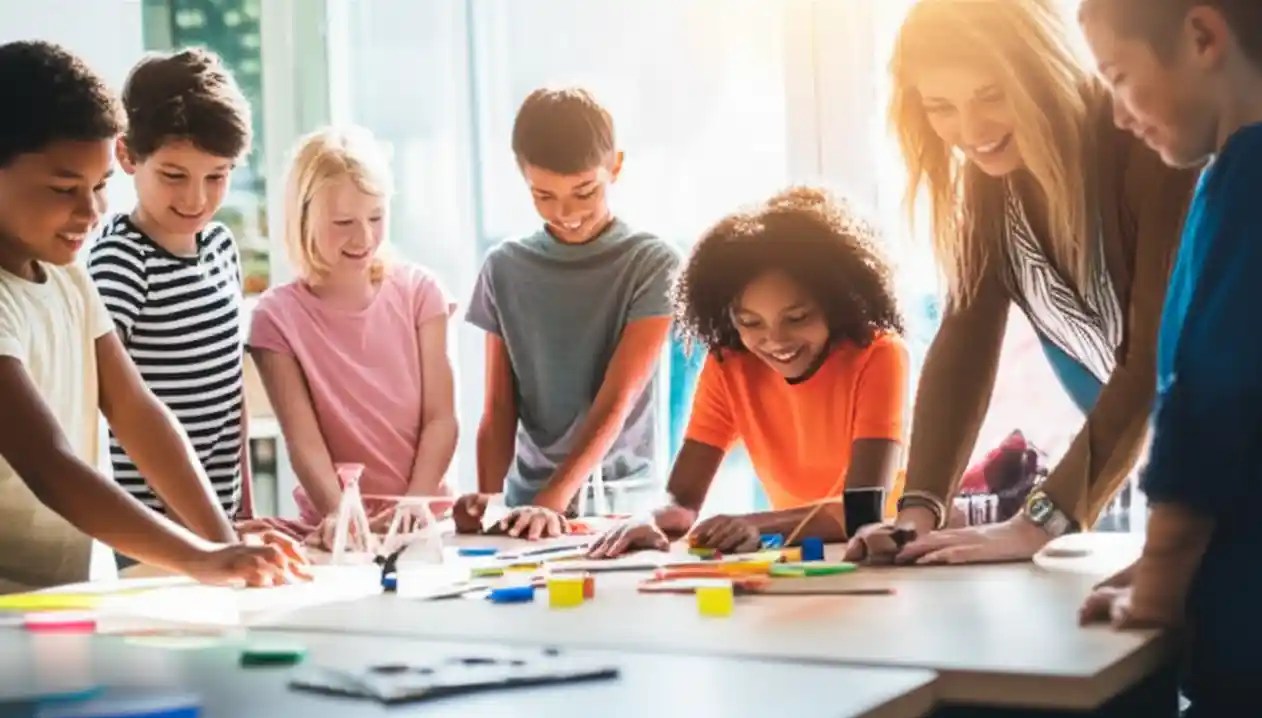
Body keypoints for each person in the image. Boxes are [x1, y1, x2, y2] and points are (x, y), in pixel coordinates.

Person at [847, 0, 1198, 566]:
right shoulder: (991, 182)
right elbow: (964, 339)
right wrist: (917, 512)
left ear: (1043, 67)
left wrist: (1040, 522)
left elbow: (1154, 357)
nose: (971, 131)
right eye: (941, 107)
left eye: (992, 95)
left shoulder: (1151, 146)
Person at [0, 40, 306, 590]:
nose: (91, 211)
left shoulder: (68, 277)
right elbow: (47, 461)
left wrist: (223, 543)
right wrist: (199, 557)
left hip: (54, 598)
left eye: (99, 187)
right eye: (64, 189)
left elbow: (137, 411)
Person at [1076, 0, 1262, 714]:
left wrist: (1162, 575)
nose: (1118, 115)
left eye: (1118, 77)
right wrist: (1150, 564)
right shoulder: (1234, 176)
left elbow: (1215, 396)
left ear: (1201, 37)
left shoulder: (1258, 175)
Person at [590, 187, 908, 557]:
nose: (776, 340)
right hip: (804, 559)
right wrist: (648, 517)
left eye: (797, 317)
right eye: (751, 322)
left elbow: (865, 511)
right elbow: (681, 501)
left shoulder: (879, 355)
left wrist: (757, 524)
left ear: (836, 303)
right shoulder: (731, 365)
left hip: (890, 553)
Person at [452, 87, 681, 540]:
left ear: (615, 166)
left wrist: (551, 502)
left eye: (584, 191)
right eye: (543, 194)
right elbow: (498, 409)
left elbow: (618, 399)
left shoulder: (654, 264)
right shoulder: (504, 268)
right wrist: (490, 505)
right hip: (527, 507)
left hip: (619, 508)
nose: (565, 212)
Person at [248, 126, 459, 535]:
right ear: (303, 218)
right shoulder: (276, 318)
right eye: (343, 222)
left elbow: (441, 418)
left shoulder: (420, 292)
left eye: (376, 217)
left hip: (428, 524)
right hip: (338, 531)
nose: (363, 237)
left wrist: (413, 505)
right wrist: (343, 518)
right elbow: (304, 442)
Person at [88, 48, 254, 525]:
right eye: (174, 176)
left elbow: (232, 393)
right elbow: (115, 407)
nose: (196, 198)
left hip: (222, 521)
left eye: (217, 176)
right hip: (155, 531)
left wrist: (244, 510)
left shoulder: (221, 247)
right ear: (126, 155)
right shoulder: (121, 261)